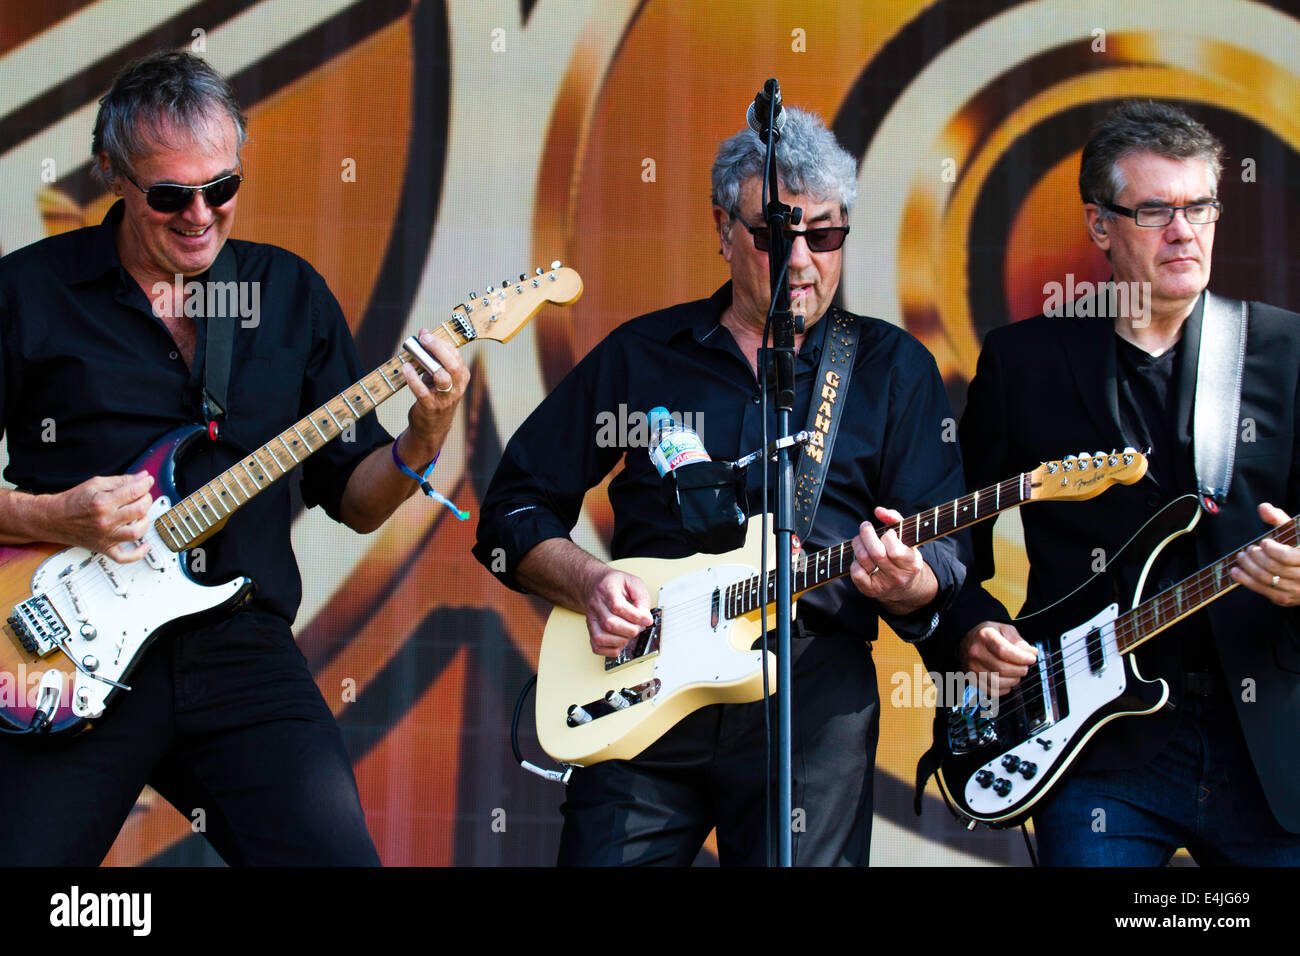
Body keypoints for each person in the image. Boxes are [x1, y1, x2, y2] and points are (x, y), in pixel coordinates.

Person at [0, 51, 468, 865]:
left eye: (222, 188)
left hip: (239, 650)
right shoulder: (28, 293)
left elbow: (353, 498)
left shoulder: (287, 295)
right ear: (111, 173)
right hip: (61, 645)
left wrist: (425, 434)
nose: (201, 215)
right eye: (172, 195)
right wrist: (48, 513)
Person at [474, 107, 967, 865]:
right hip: (641, 678)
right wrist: (589, 582)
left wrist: (910, 581)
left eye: (826, 235)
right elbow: (511, 508)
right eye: (774, 234)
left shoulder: (891, 370)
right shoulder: (643, 357)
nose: (801, 261)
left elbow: (949, 557)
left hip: (811, 691)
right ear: (723, 228)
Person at [945, 100, 1300, 864]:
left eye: (1200, 205)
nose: (1185, 229)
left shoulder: (1286, 348)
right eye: (1155, 210)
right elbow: (950, 543)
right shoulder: (1023, 362)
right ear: (1100, 225)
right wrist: (973, 628)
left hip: (1267, 737)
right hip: (1091, 743)